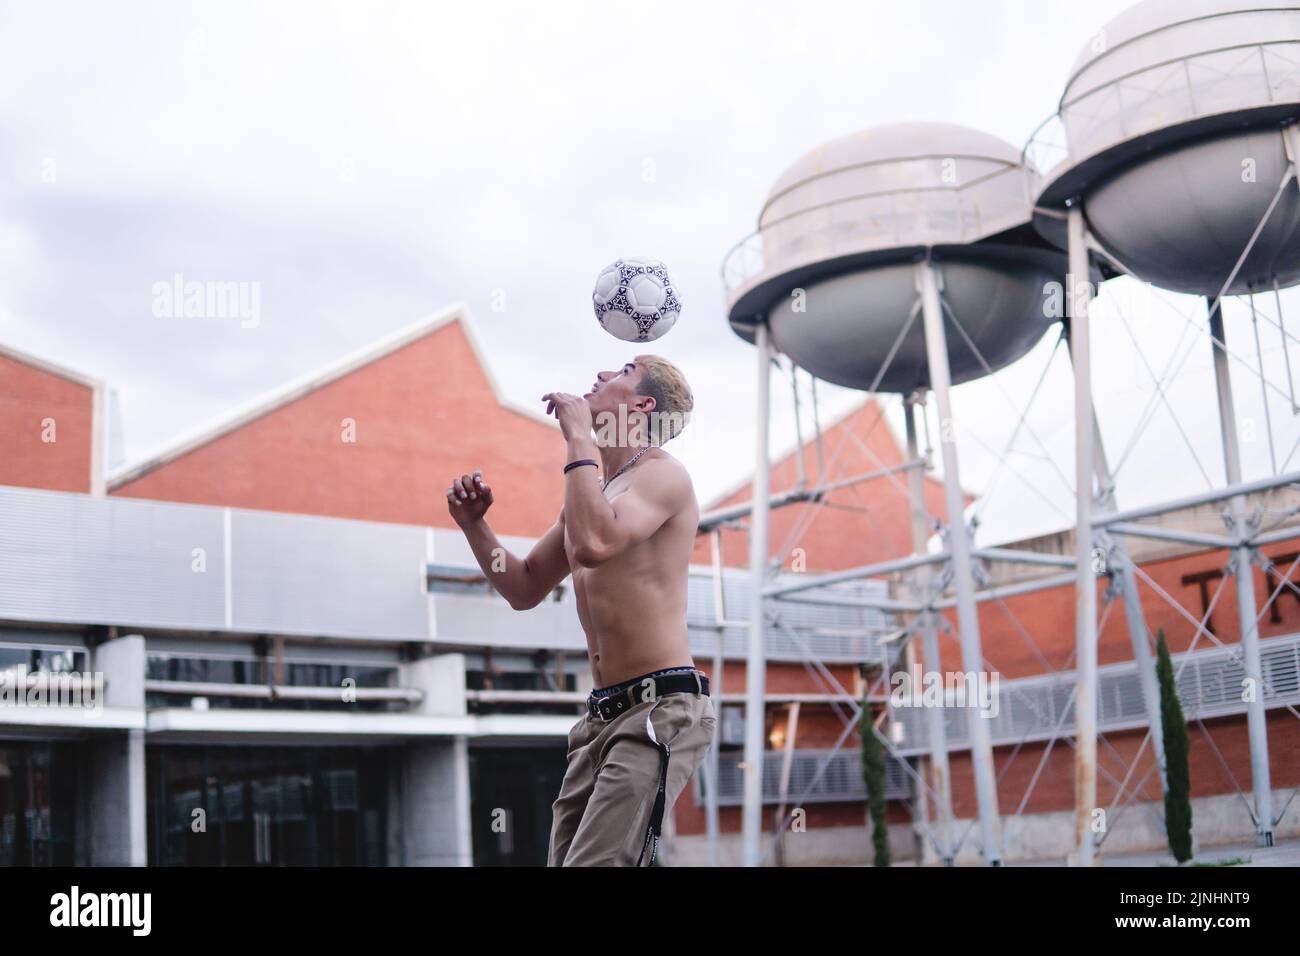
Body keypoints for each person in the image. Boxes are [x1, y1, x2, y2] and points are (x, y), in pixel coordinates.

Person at [445, 354, 714, 866]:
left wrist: (579, 440)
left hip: (659, 710)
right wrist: (474, 525)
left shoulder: (664, 476)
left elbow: (594, 544)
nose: (600, 375)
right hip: (600, 718)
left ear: (642, 404)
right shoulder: (590, 493)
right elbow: (522, 586)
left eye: (623, 371)